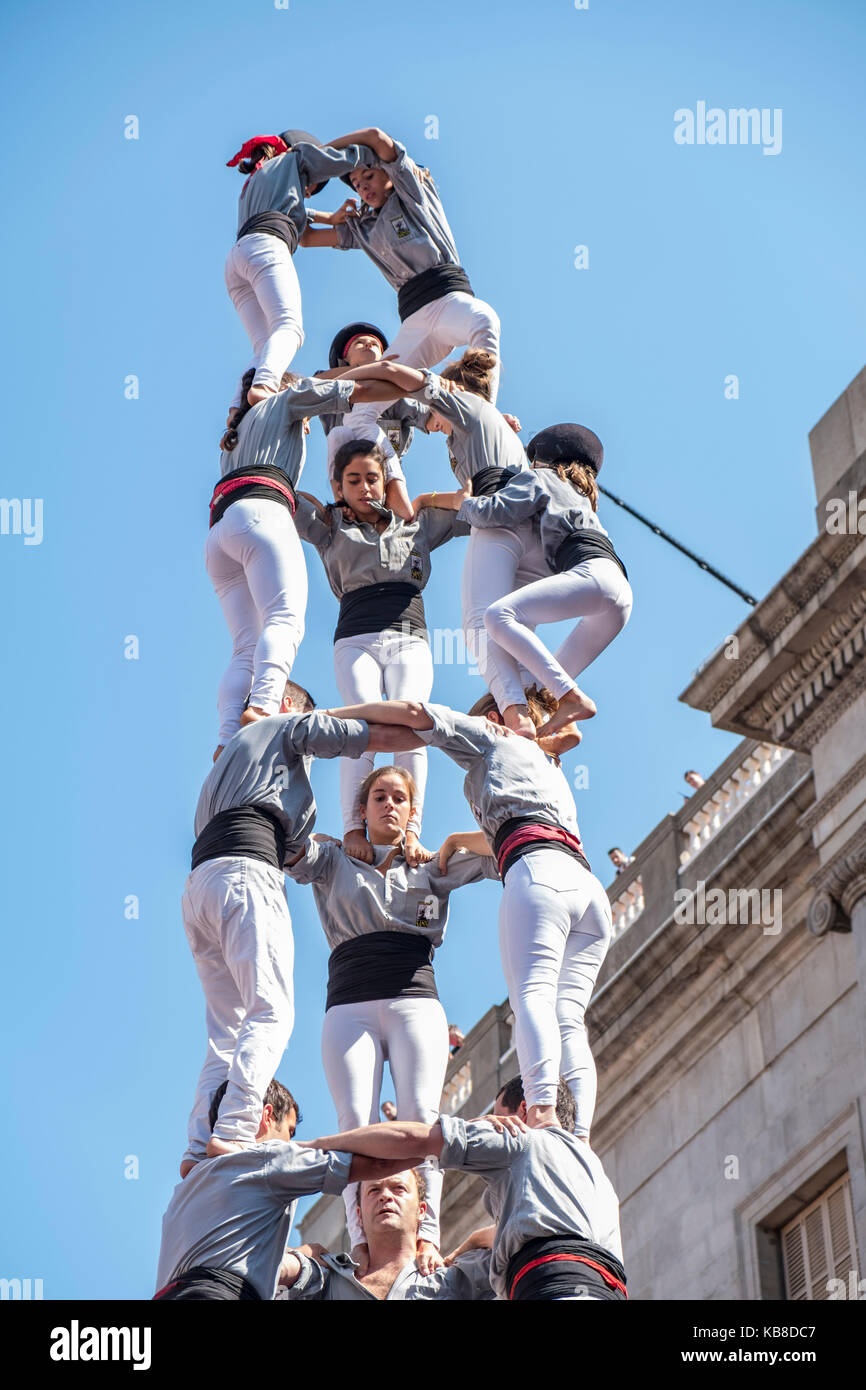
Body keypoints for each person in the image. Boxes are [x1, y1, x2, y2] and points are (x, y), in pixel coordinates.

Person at [179, 682, 423, 1177]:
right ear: (292, 705)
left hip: (201, 885)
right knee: (271, 1012)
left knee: (227, 1030)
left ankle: (198, 1144)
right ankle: (233, 1130)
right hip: (246, 875)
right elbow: (373, 733)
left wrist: (328, 847)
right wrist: (431, 729)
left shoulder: (226, 765)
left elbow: (296, 853)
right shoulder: (284, 726)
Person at [346, 694, 610, 1139]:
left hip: (538, 872)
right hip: (586, 886)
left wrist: (335, 717)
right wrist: (455, 841)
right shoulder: (550, 767)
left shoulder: (494, 737)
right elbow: (511, 832)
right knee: (569, 1017)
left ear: (492, 718)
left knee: (533, 998)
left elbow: (416, 715)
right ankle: (579, 1132)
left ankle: (543, 1111)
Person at [286, 763, 499, 1269]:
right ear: (362, 810)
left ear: (411, 810)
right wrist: (339, 836)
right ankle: (359, 1240)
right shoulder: (334, 859)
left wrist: (450, 842)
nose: (389, 805)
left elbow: (504, 846)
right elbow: (286, 844)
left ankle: (426, 1236)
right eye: (378, 797)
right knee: (353, 1124)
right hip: (349, 1003)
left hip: (414, 998)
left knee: (422, 1121)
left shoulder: (431, 867)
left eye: (399, 798)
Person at [329, 352, 550, 736]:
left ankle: (517, 713)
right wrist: (426, 500)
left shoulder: (460, 404)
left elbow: (389, 372)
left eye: (436, 419)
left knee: (481, 620)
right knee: (518, 622)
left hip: (497, 519)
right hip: (530, 523)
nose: (437, 429)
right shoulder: (492, 430)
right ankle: (540, 705)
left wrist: (335, 385)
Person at [208, 371, 405, 757]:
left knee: (244, 645)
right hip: (263, 512)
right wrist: (416, 384)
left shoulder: (235, 433)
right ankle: (263, 705)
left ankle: (226, 735)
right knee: (285, 619)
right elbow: (360, 392)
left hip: (219, 530)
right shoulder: (287, 399)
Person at [300, 1078, 626, 1302]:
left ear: (522, 1113)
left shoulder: (520, 1140)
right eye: (373, 1192)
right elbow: (509, 1234)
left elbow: (416, 1140)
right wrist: (464, 1246)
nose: (495, 1125)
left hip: (556, 1287)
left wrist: (317, 1146)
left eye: (497, 1118)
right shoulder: (597, 1180)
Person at [294, 440, 467, 860]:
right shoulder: (331, 525)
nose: (365, 487)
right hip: (356, 634)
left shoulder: (416, 522)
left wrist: (423, 497)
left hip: (409, 632)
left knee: (416, 720)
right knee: (362, 722)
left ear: (386, 481)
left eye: (373, 478)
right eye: (353, 480)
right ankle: (354, 828)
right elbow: (284, 497)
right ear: (339, 485)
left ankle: (411, 830)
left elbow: (473, 501)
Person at [434, 422, 633, 739]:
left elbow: (495, 512)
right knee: (539, 685)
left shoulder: (541, 477)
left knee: (497, 617)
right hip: (618, 593)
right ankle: (558, 730)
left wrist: (462, 503)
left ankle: (572, 698)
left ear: (543, 458)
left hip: (593, 576)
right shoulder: (580, 495)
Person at [156, 1079, 430, 1301]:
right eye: (289, 1131)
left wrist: (302, 1255)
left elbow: (234, 1249)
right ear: (266, 1117)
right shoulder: (268, 1160)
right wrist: (442, 1145)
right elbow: (380, 1161)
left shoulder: (189, 1184)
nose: (290, 1143)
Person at [300, 127, 502, 401]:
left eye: (368, 176)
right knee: (376, 390)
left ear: (388, 173)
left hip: (447, 299)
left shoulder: (411, 191)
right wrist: (325, 216)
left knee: (484, 320)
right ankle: (352, 436)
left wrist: (314, 158)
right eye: (357, 184)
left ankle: (482, 408)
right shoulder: (363, 227)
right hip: (414, 320)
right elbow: (306, 238)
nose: (363, 186)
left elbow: (374, 136)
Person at [225, 129, 376, 406]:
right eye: (312, 185)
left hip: (237, 260)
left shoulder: (259, 176)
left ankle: (237, 409)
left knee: (264, 344)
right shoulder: (297, 158)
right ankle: (265, 385)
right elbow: (333, 160)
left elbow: (295, 210)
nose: (308, 191)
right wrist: (373, 156)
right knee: (290, 328)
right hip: (267, 248)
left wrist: (330, 218)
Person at [277, 1168, 495, 1301]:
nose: (385, 1196)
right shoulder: (329, 1278)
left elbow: (521, 1236)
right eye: (374, 1190)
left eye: (398, 1188)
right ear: (359, 1215)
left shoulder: (450, 1277)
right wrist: (299, 1253)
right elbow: (260, 1263)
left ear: (422, 1211)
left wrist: (476, 1239)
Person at [314, 322, 434, 520]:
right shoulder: (334, 388)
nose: (368, 345)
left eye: (374, 344)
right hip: (349, 478)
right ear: (344, 359)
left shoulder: (395, 397)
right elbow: (317, 382)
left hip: (383, 477)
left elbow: (429, 418)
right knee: (337, 435)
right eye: (359, 343)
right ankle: (342, 504)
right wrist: (367, 370)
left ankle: (395, 497)